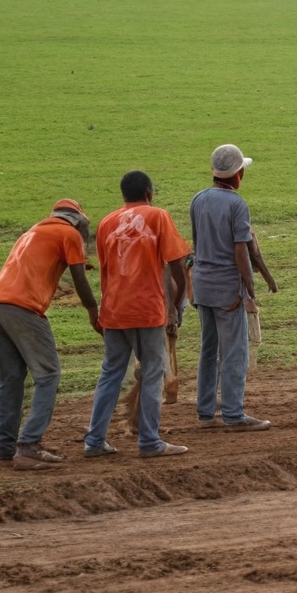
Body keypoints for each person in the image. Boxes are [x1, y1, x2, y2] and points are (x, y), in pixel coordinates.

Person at [0, 199, 100, 469]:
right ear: (79, 221)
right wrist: (93, 311)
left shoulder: (34, 231)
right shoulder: (69, 233)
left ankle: (4, 449)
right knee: (48, 375)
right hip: (23, 308)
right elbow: (79, 279)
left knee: (10, 379)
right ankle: (29, 444)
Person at [84, 171, 192, 458]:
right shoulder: (158, 216)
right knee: (153, 372)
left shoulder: (107, 222)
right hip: (146, 309)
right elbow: (177, 264)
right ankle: (149, 441)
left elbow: (106, 270)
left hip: (115, 309)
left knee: (110, 374)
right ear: (149, 192)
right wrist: (177, 301)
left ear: (123, 195)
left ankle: (94, 441)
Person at [188, 144, 271, 431]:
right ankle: (234, 414)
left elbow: (198, 244)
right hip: (227, 288)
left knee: (208, 350)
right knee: (235, 352)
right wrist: (248, 290)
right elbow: (241, 252)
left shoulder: (198, 199)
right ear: (237, 175)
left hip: (202, 285)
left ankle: (206, 411)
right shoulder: (237, 205)